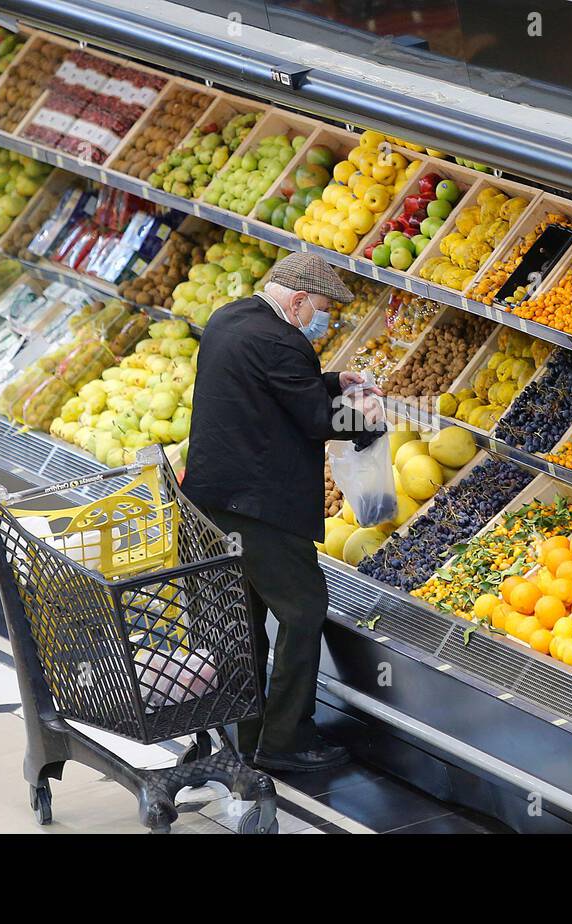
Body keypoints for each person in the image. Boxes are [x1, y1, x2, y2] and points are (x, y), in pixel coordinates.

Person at [182, 252, 384, 772]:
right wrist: (367, 421)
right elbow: (315, 419)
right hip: (260, 507)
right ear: (297, 301)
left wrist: (335, 380)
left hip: (214, 497)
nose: (324, 322)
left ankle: (247, 731)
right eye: (321, 310)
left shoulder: (231, 318)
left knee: (248, 615)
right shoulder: (283, 340)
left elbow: (276, 393)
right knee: (302, 608)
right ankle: (287, 739)